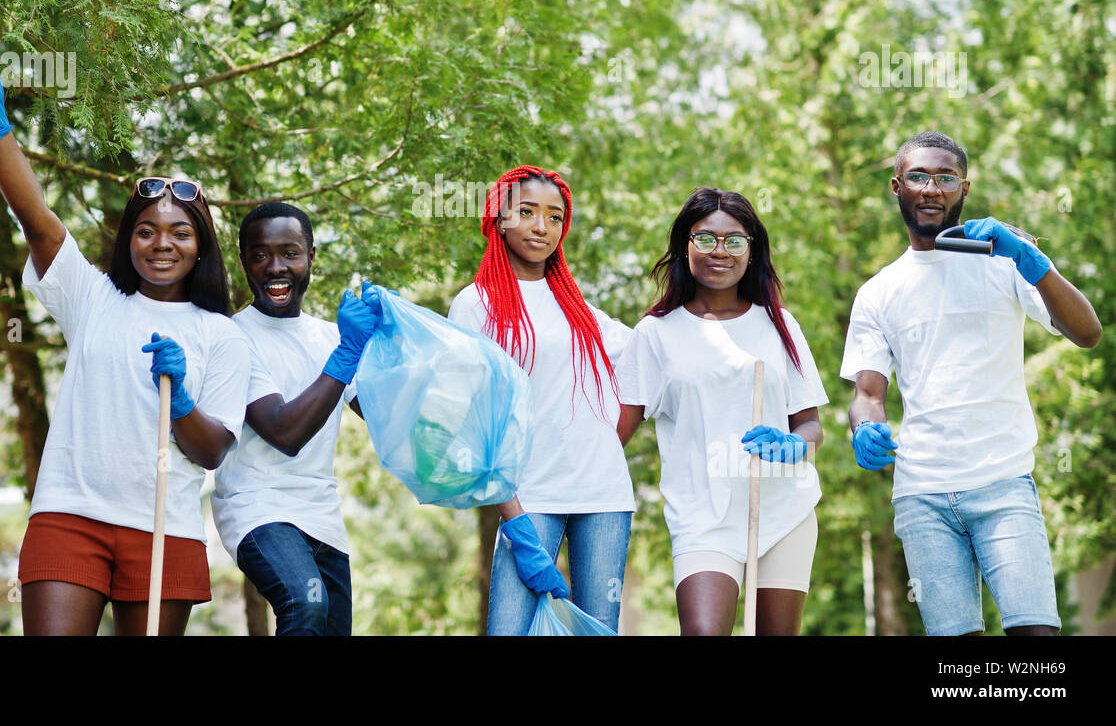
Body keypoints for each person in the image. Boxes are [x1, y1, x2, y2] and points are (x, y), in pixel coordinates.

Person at [0, 57, 376, 635]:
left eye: (180, 233)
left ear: (200, 246)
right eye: (146, 231)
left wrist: (180, 406)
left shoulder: (222, 332)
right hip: (71, 515)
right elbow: (38, 221)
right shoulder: (92, 298)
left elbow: (212, 451)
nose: (162, 244)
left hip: (163, 529)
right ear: (129, 240)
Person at [842, 130, 1102, 636]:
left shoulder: (1004, 263)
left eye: (946, 177)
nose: (932, 188)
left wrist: (1032, 260)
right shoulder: (878, 293)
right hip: (922, 494)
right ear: (897, 186)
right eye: (919, 176)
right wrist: (863, 429)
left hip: (1003, 482)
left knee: (1036, 637)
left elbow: (1088, 333)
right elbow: (868, 395)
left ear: (964, 187)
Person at [618, 188, 827, 636]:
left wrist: (795, 445)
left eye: (734, 240)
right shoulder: (655, 334)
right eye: (704, 239)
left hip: (783, 508)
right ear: (683, 246)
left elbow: (809, 425)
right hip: (702, 517)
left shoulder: (779, 324)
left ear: (751, 251)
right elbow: (616, 433)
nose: (720, 251)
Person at [447, 165, 634, 635]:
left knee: (598, 629)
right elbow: (472, 424)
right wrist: (515, 523)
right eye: (526, 212)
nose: (541, 227)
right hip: (527, 496)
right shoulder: (475, 305)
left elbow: (650, 362)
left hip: (603, 494)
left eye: (554, 217)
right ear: (499, 218)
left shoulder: (579, 308)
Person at [212, 202, 366, 636]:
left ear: (311, 255)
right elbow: (284, 431)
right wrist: (346, 356)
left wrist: (388, 342)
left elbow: (383, 414)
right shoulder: (234, 338)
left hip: (321, 513)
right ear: (243, 261)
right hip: (258, 507)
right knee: (304, 601)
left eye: (290, 253)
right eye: (260, 256)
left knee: (331, 628)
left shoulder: (331, 336)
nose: (275, 267)